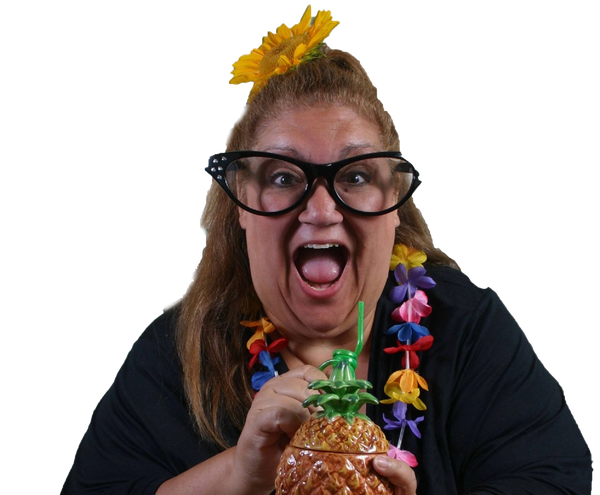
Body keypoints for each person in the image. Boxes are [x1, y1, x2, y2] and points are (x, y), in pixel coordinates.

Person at [60, 3, 595, 494]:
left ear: (393, 202)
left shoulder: (468, 329)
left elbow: (560, 484)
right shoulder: (177, 350)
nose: (321, 210)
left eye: (356, 176)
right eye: (283, 177)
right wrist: (240, 474)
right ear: (242, 204)